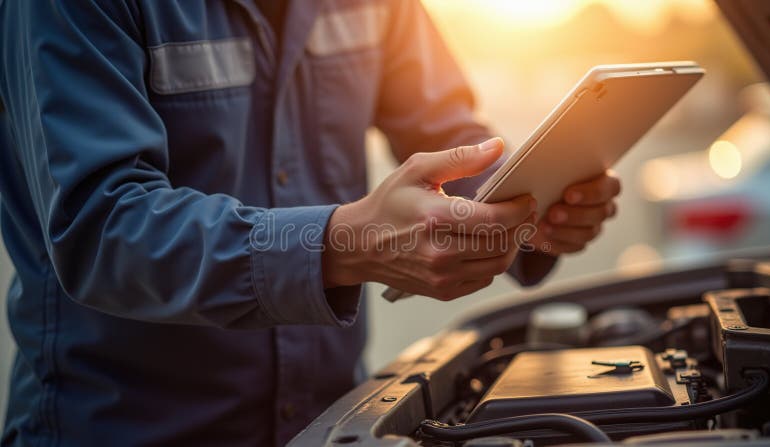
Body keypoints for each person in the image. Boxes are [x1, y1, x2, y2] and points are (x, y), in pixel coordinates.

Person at [0, 1, 620, 445]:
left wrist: (531, 208)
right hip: (125, 427)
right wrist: (341, 244)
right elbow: (100, 223)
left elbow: (448, 138)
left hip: (330, 423)